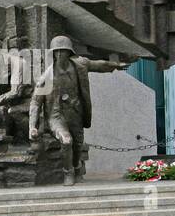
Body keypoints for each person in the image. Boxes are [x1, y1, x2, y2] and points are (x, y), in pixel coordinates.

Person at [29, 36, 130, 185]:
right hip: (56, 117)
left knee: (77, 145)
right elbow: (35, 103)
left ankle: (76, 168)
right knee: (66, 140)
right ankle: (67, 172)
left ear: (69, 52)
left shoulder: (80, 65)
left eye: (63, 51)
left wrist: (115, 65)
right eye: (57, 52)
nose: (59, 55)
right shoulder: (45, 79)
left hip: (76, 113)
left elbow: (98, 65)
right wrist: (32, 126)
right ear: (53, 54)